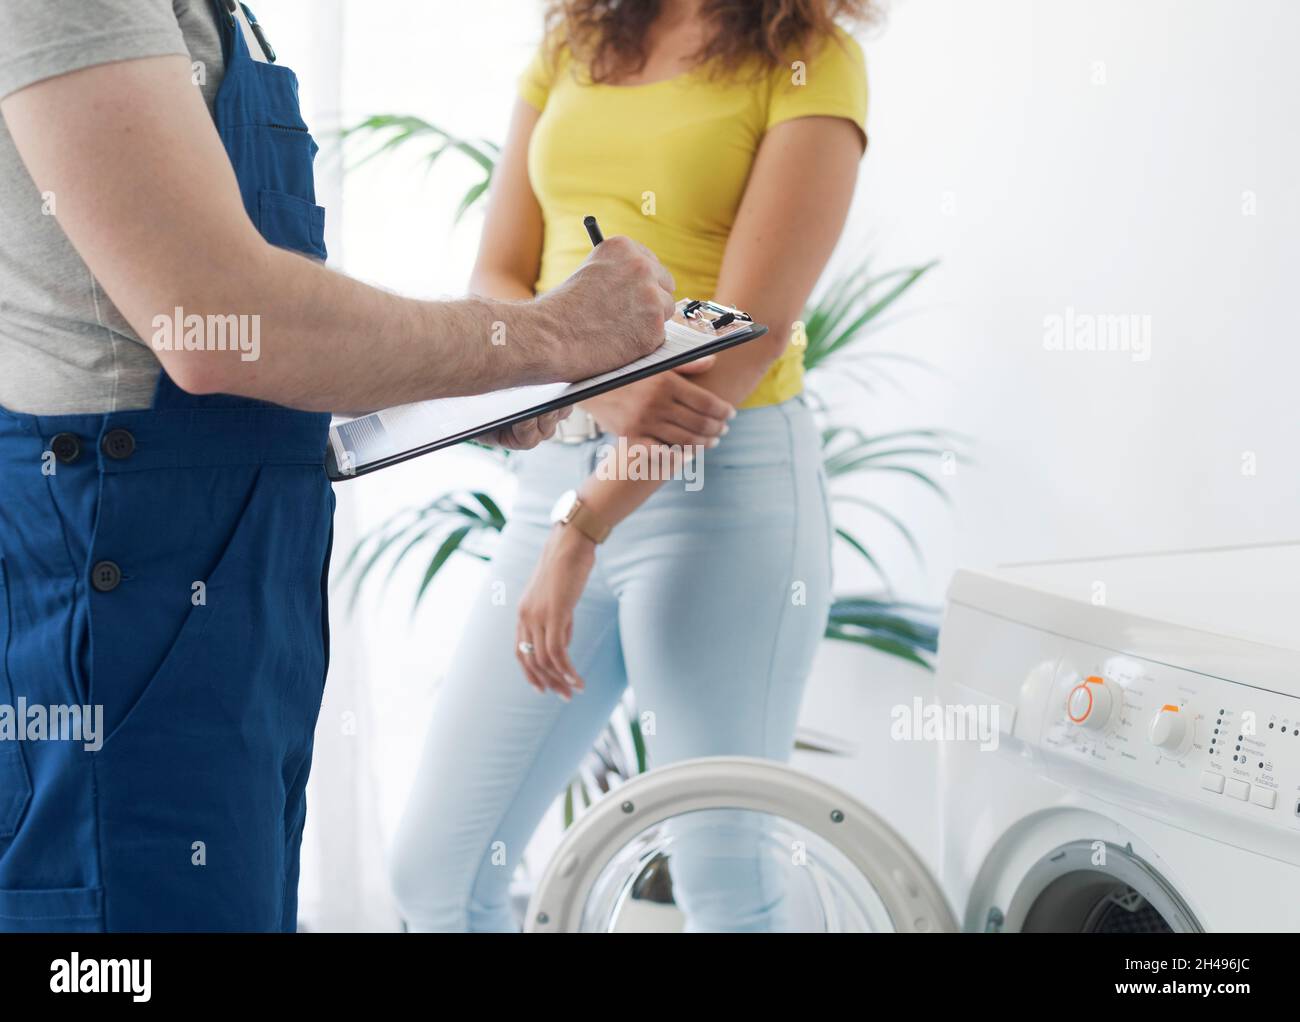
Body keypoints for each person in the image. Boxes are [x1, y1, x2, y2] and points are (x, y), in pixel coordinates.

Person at [0, 0, 676, 932]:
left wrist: (468, 380)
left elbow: (248, 330)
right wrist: (553, 331)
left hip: (235, 604)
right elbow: (215, 321)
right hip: (128, 601)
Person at [391, 0, 875, 931]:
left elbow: (740, 344)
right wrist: (592, 397)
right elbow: (497, 280)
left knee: (724, 885)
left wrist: (584, 525)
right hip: (556, 481)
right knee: (435, 874)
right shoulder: (573, 43)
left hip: (726, 494)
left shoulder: (812, 60)